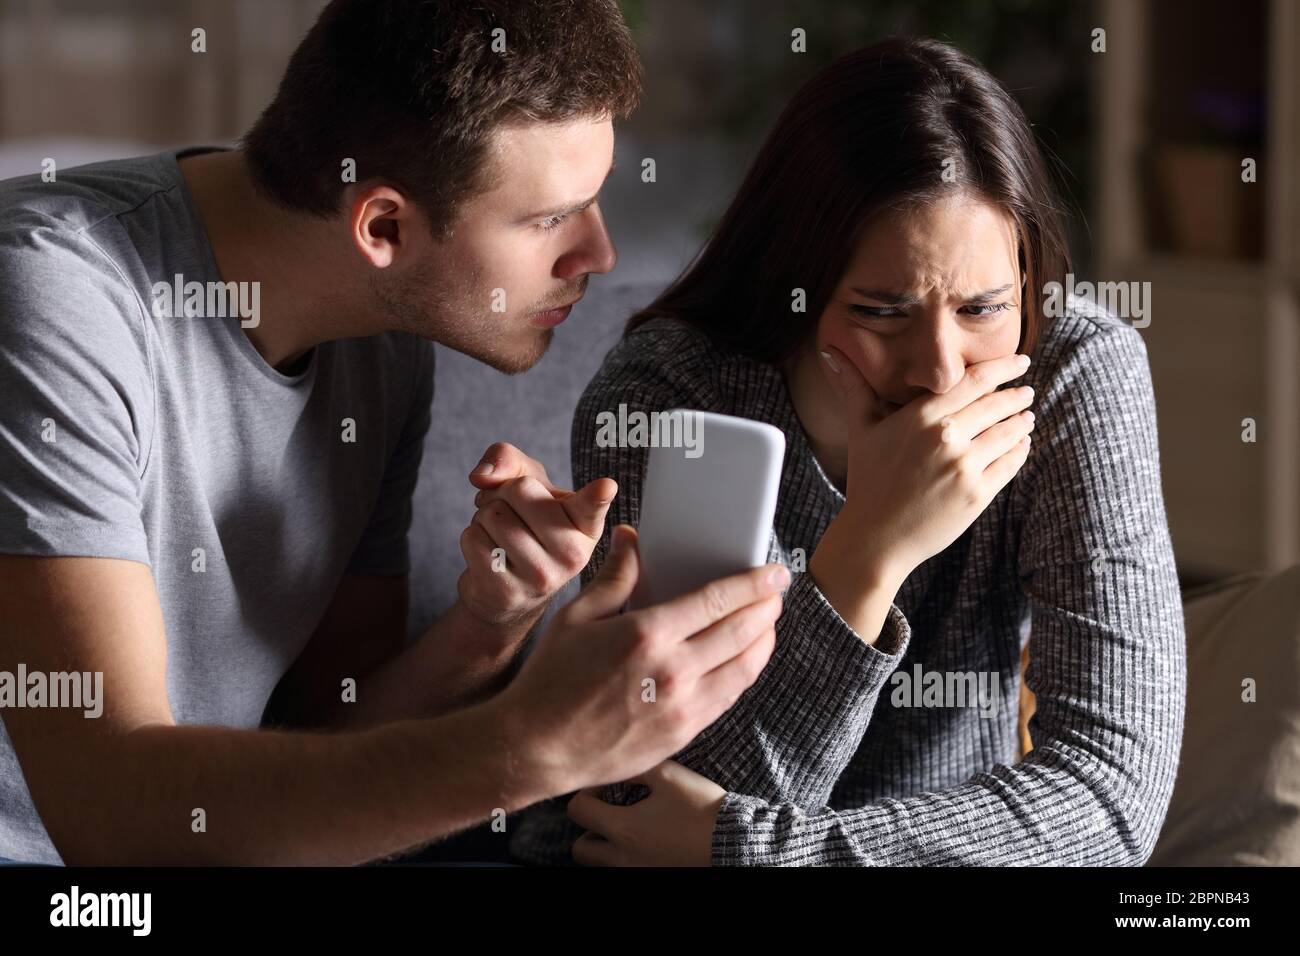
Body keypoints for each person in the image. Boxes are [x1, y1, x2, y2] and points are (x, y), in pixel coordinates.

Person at [0, 0, 787, 865]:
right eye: (549, 219)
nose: (599, 254)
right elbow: (106, 816)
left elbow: (328, 728)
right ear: (382, 227)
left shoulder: (382, 341)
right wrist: (533, 746)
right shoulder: (53, 301)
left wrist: (491, 622)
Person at [510, 36, 1186, 866]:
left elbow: (1111, 796)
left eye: (982, 309)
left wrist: (759, 852)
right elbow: (651, 811)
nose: (939, 372)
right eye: (881, 311)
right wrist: (871, 548)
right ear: (792, 281)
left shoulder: (1073, 371)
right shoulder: (669, 399)